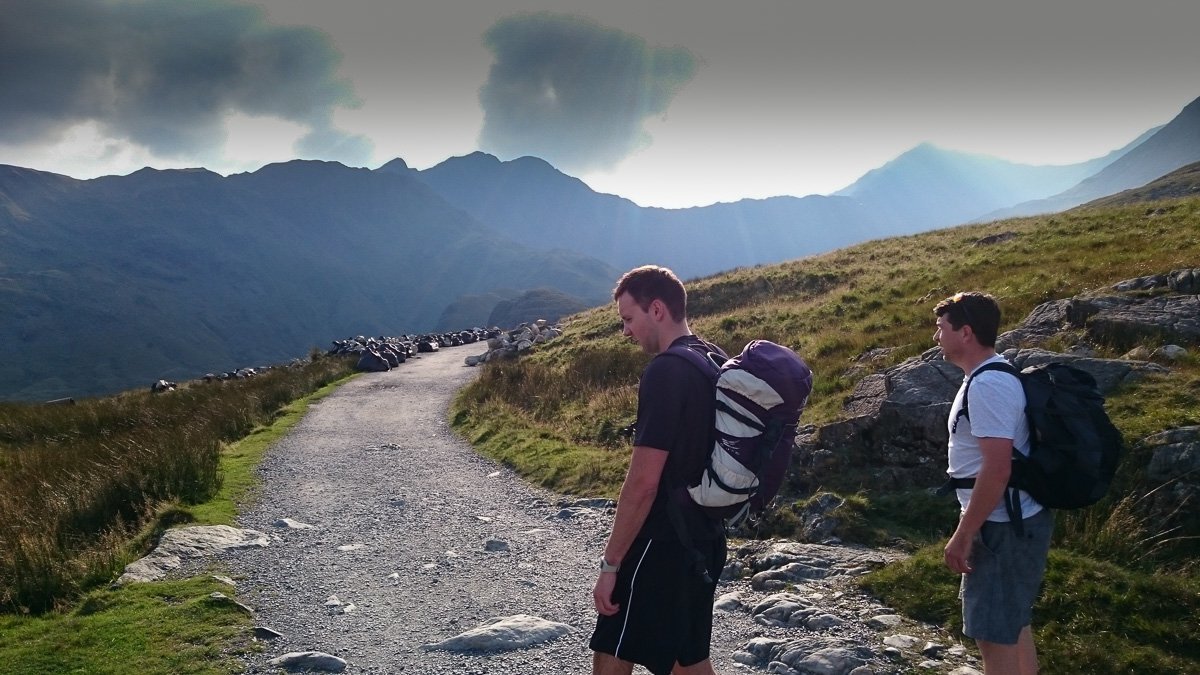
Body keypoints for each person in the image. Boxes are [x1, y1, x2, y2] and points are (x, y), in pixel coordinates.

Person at [590, 265, 727, 675]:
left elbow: (643, 483)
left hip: (661, 542)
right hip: (705, 538)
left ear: (656, 309)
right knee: (687, 660)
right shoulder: (712, 358)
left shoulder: (666, 371)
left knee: (613, 646)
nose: (626, 332)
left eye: (628, 319)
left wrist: (611, 565)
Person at [934, 292, 1054, 675]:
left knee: (993, 635)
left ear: (966, 333)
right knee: (1012, 624)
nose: (936, 336)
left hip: (1001, 526)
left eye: (941, 328)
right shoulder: (989, 376)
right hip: (1012, 519)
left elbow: (998, 468)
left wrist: (964, 534)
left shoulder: (988, 385)